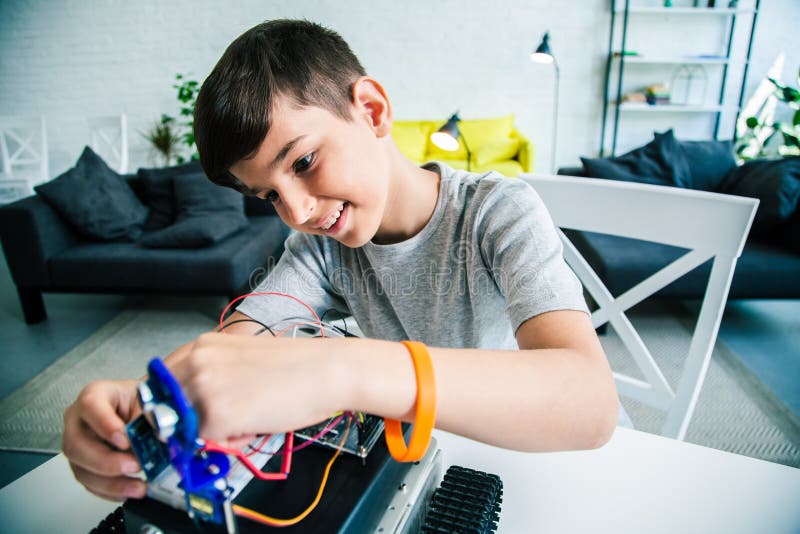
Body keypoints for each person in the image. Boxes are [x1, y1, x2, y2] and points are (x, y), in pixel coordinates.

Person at [62, 19, 618, 502]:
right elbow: (244, 338)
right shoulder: (323, 244)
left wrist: (346, 369)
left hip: (528, 460)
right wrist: (149, 402)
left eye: (303, 160)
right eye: (270, 196)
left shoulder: (497, 212)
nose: (297, 211)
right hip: (418, 461)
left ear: (372, 111)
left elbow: (589, 405)